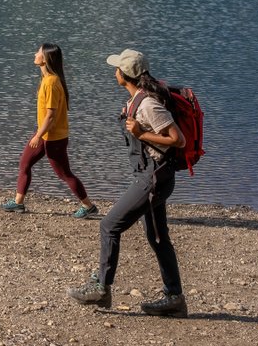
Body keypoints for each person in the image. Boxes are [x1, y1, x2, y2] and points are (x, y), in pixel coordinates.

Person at [68, 48, 187, 317]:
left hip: (153, 179)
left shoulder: (148, 105)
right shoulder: (137, 100)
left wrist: (142, 133)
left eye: (117, 69)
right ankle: (175, 298)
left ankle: (101, 289)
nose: (114, 73)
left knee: (109, 225)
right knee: (157, 237)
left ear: (125, 74)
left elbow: (178, 140)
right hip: (156, 177)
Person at [0, 44, 96, 218]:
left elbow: (51, 116)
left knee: (64, 174)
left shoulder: (51, 82)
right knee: (25, 164)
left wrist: (38, 136)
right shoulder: (47, 80)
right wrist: (39, 134)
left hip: (53, 138)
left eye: (38, 52)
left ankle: (88, 206)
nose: (35, 54)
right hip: (45, 134)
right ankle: (18, 202)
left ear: (45, 59)